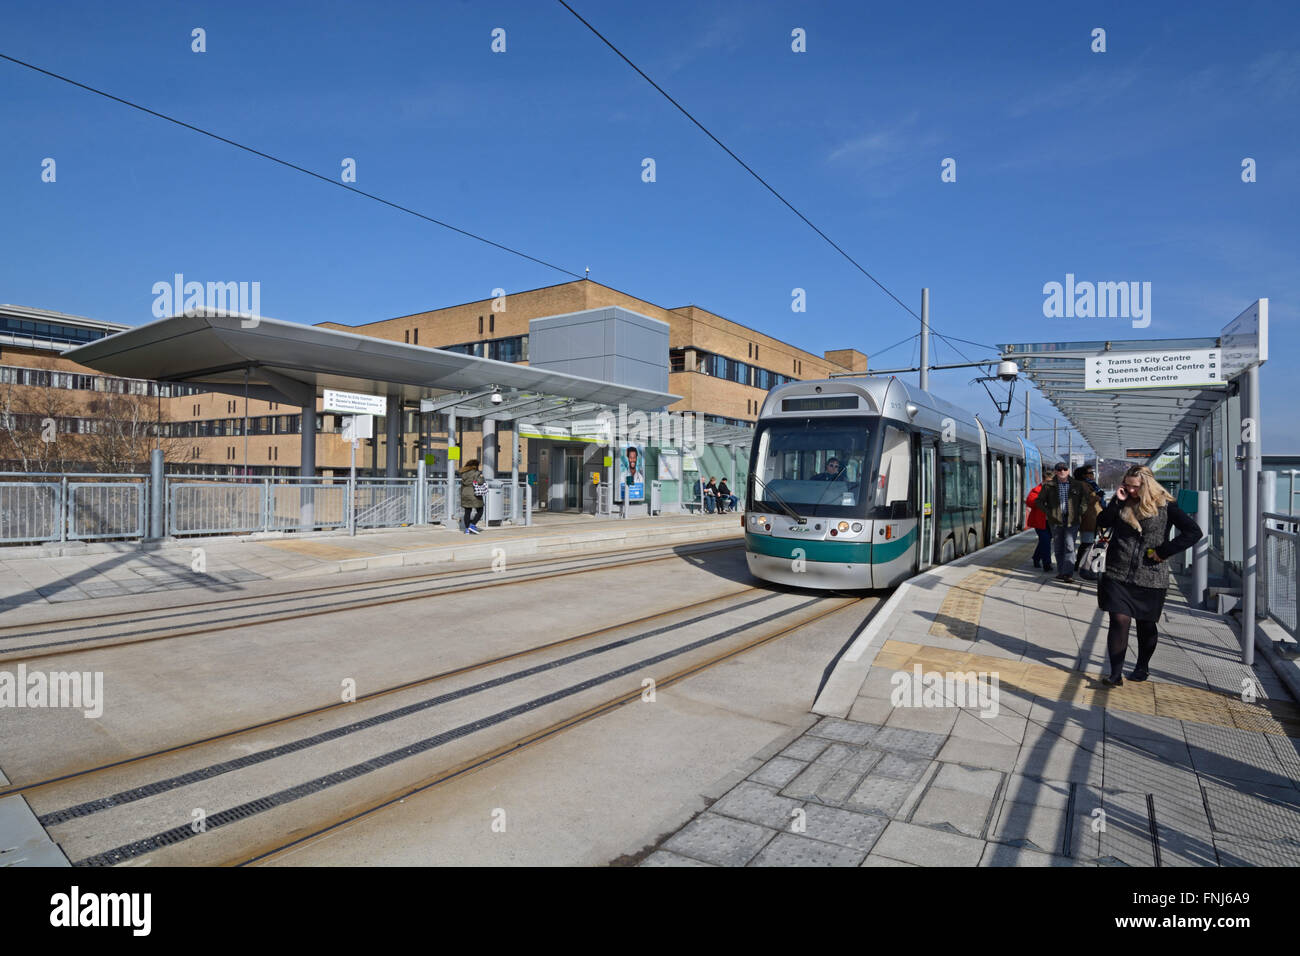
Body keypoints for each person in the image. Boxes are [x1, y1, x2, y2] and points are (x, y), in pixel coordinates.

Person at [1096, 464, 1202, 685]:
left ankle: (1142, 665)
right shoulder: (1122, 501)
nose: (1129, 489)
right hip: (1117, 572)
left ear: (1146, 485)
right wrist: (1117, 501)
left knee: (1145, 625)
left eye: (1134, 487)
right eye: (1126, 485)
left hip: (1151, 576)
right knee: (1118, 619)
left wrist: (1164, 552)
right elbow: (1102, 522)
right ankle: (1115, 674)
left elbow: (1193, 532)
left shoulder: (1166, 506)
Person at [1035, 461, 1093, 582]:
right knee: (1058, 546)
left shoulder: (1077, 485)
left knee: (1069, 545)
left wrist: (1080, 511)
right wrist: (1049, 512)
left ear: (1068, 471)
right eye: (1059, 469)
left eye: (1064, 469)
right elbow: (1039, 501)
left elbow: (1085, 499)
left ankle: (1068, 573)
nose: (1062, 471)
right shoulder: (1048, 486)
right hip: (1055, 520)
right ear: (1056, 471)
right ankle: (1061, 571)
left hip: (1073, 520)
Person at [1075, 464, 1105, 566]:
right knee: (1087, 543)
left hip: (1092, 517)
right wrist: (1097, 496)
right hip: (1088, 518)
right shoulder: (1083, 485)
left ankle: (1082, 563)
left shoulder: (1091, 485)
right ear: (1084, 475)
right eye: (1091, 473)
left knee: (1089, 542)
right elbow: (1085, 501)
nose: (1093, 474)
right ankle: (1080, 563)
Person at [1025, 481, 1052, 572]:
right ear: (1043, 481)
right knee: (1046, 541)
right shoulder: (1036, 490)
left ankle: (1036, 557)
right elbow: (1029, 502)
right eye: (1047, 482)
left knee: (1044, 541)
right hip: (1040, 522)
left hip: (1052, 522)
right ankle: (1047, 563)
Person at [459, 458, 485, 534]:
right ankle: (472, 525)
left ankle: (467, 529)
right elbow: (480, 482)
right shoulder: (476, 473)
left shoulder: (464, 473)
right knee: (480, 510)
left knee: (467, 511)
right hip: (474, 493)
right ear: (475, 466)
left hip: (465, 493)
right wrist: (482, 477)